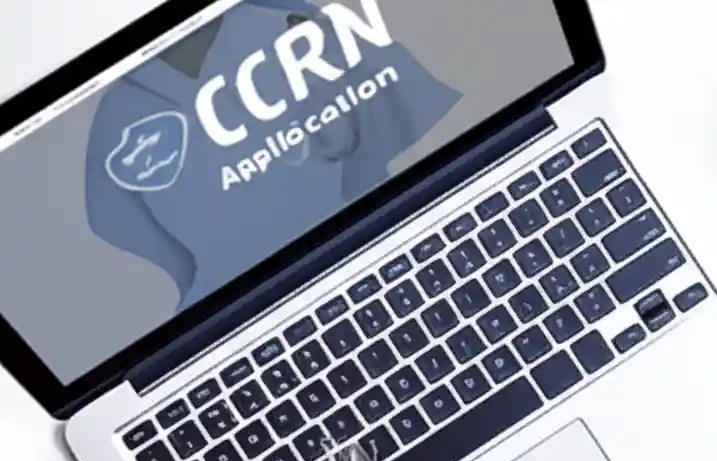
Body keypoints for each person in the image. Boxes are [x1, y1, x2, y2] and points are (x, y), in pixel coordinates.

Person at [84, 0, 459, 309]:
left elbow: (409, 128)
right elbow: (121, 227)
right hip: (240, 307)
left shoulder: (290, 22)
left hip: (374, 250)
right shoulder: (120, 112)